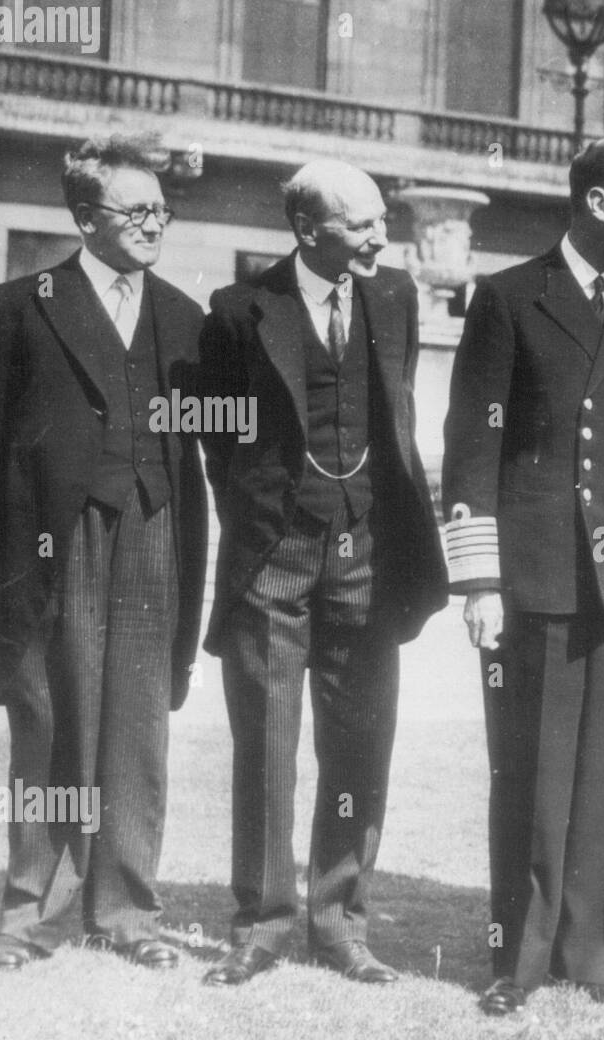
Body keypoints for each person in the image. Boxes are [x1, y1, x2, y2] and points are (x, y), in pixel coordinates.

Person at [198, 160, 447, 987]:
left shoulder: (395, 296)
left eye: (382, 220)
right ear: (309, 231)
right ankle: (264, 924)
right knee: (265, 746)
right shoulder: (238, 311)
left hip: (368, 555)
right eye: (363, 223)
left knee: (360, 742)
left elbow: (397, 407)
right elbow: (218, 435)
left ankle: (339, 923)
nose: (382, 235)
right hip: (275, 557)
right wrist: (263, 518)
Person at [442, 133, 604, 1015]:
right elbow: (472, 448)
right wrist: (479, 583)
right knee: (532, 767)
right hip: (533, 571)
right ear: (599, 204)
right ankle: (520, 957)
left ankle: (588, 950)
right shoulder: (509, 298)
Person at [0, 135, 208, 971]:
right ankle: (28, 910)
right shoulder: (19, 307)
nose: (155, 223)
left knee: (137, 720)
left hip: (153, 529)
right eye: (136, 210)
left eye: (161, 209)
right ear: (85, 218)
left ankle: (124, 910)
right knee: (49, 713)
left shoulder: (184, 320)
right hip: (58, 535)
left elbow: (202, 449)